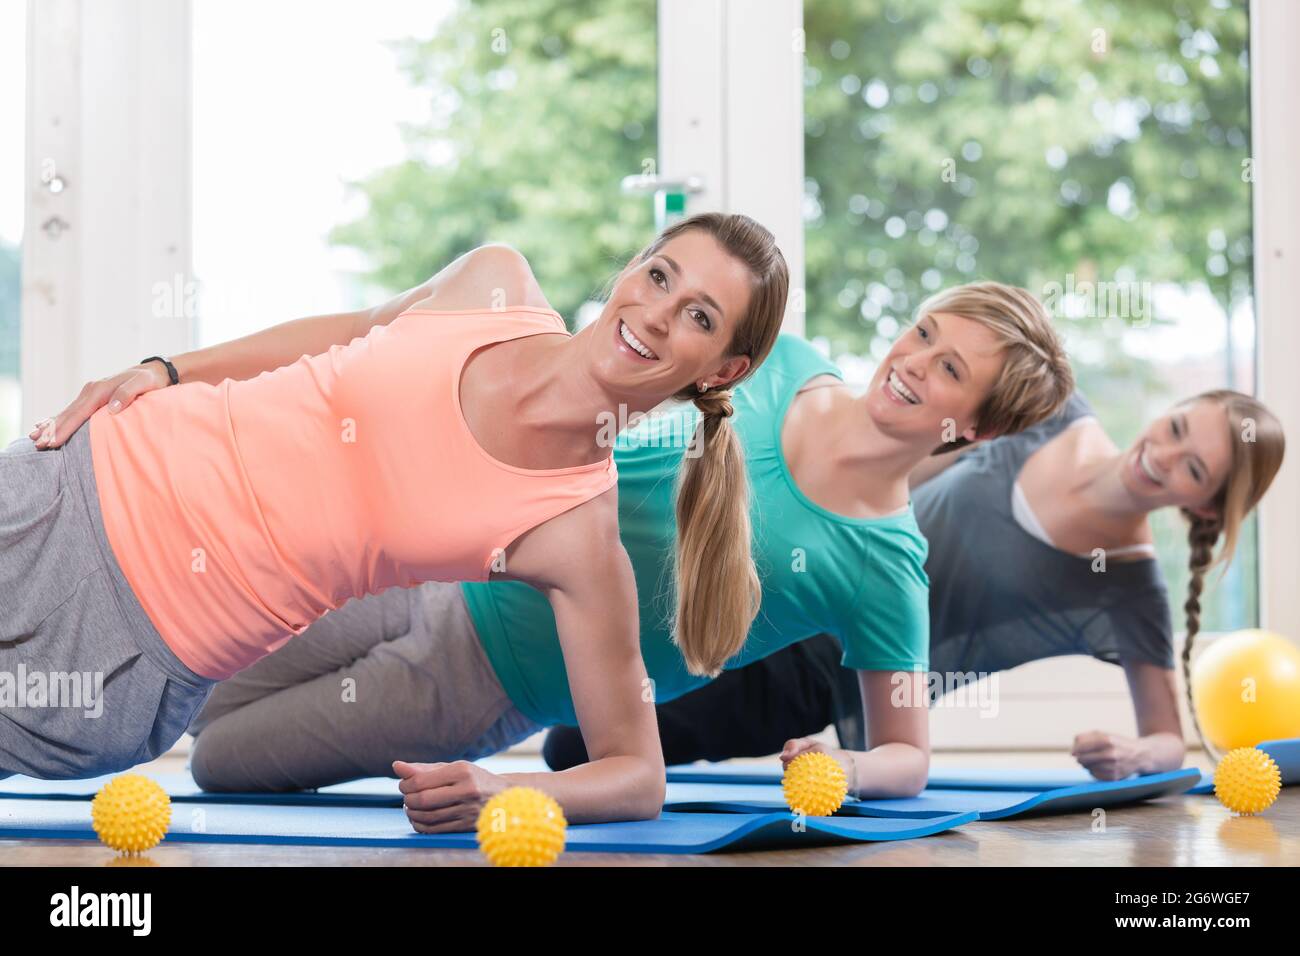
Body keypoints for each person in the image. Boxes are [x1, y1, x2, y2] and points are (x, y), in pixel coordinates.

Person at [2, 212, 788, 829]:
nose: (654, 314)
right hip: (71, 487)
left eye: (698, 316)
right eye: (658, 276)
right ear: (629, 269)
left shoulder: (576, 533)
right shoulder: (494, 284)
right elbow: (342, 331)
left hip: (137, 651)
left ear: (722, 369)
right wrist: (165, 368)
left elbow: (637, 774)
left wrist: (506, 786)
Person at [183, 281, 1074, 807]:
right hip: (441, 559)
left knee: (220, 760)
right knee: (197, 680)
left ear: (977, 432)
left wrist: (849, 766)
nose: (913, 362)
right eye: (925, 334)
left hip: (483, 682)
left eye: (950, 370)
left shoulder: (886, 566)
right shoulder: (783, 361)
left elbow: (910, 755)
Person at [543, 387, 1285, 782]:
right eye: (1181, 426)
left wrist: (1133, 757)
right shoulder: (1052, 411)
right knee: (567, 663)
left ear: (1205, 505)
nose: (1165, 454)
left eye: (1194, 468)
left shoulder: (1128, 590)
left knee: (571, 748)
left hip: (822, 678)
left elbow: (1167, 738)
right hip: (779, 581)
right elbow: (893, 464)